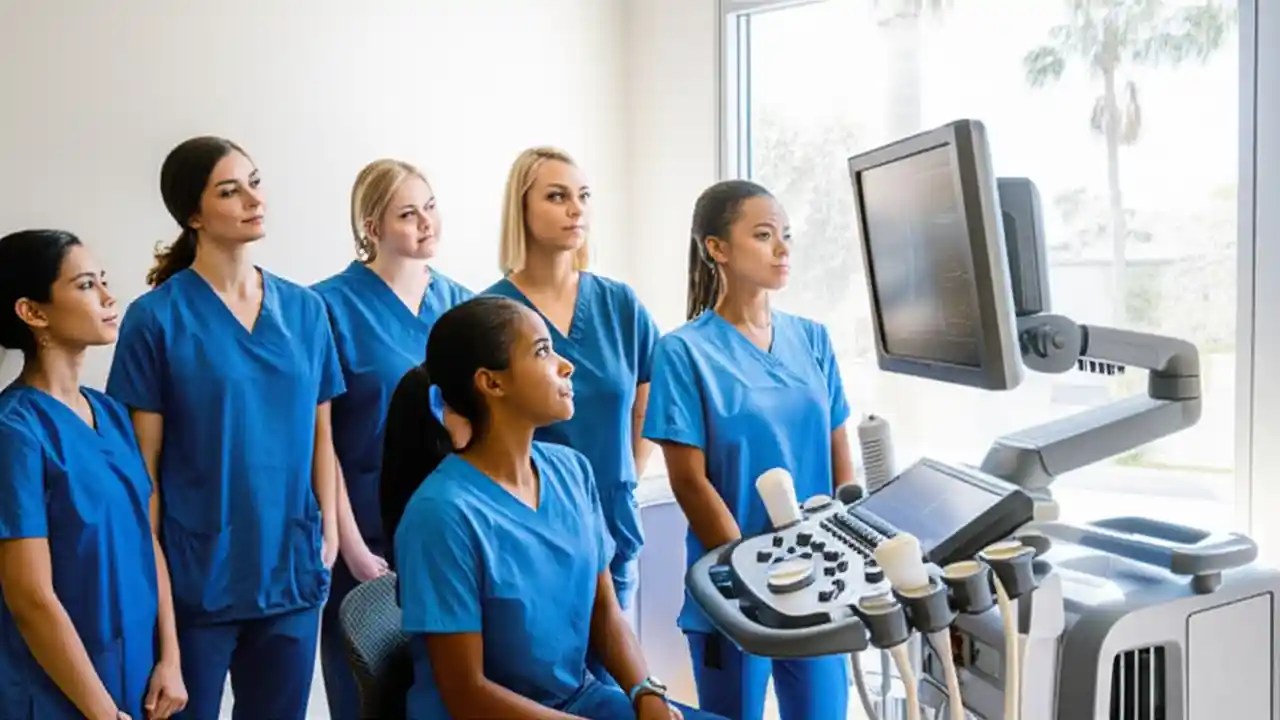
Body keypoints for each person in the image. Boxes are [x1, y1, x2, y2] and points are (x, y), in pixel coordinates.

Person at [380, 295, 727, 720]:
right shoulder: (441, 516)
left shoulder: (572, 471)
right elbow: (467, 694)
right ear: (492, 382)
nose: (567, 365)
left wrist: (646, 693)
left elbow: (605, 612)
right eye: (543, 351)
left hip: (580, 702)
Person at [105, 137, 345, 720]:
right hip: (198, 576)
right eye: (229, 190)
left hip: (290, 564)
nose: (251, 199)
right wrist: (155, 577)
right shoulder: (156, 318)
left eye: (255, 183)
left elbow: (321, 436)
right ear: (193, 215)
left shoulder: (306, 310)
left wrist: (329, 534)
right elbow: (146, 468)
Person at [641, 180, 856, 720]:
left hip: (820, 587)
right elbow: (689, 481)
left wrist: (852, 549)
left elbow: (839, 454)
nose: (782, 248)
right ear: (717, 248)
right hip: (732, 590)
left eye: (786, 235)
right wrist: (753, 577)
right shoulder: (683, 352)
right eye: (764, 236)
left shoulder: (814, 340)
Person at [482, 147, 661, 682]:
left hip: (610, 519)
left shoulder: (619, 304)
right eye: (557, 197)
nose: (575, 210)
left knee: (613, 684)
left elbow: (647, 397)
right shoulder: (491, 314)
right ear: (523, 209)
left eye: (582, 197)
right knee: (542, 686)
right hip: (527, 533)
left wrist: (623, 473)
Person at [0, 229, 187, 719]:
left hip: (142, 680)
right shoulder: (16, 431)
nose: (108, 296)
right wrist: (101, 712)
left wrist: (171, 657)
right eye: (85, 285)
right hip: (60, 691)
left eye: (103, 280)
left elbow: (147, 538)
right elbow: (30, 597)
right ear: (33, 312)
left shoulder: (111, 414)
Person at [311, 158, 473, 719]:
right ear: (371, 227)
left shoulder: (461, 304)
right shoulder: (327, 307)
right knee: (365, 694)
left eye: (430, 207)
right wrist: (352, 546)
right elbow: (320, 439)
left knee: (446, 687)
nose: (426, 223)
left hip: (451, 526)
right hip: (363, 531)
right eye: (408, 213)